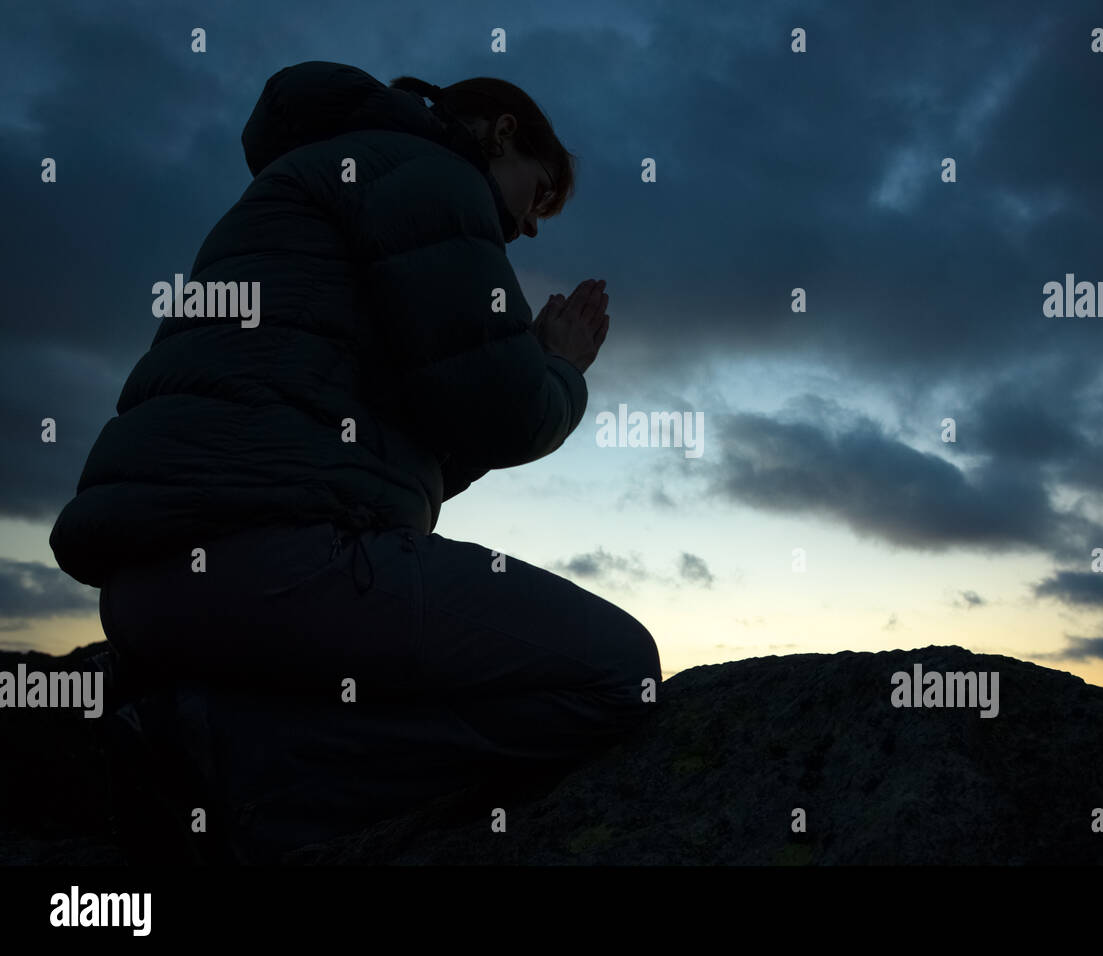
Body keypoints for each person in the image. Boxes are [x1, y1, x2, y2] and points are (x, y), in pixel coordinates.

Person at [47, 60, 662, 862]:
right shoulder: (431, 177)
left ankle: (192, 727)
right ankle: (226, 766)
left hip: (152, 596)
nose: (532, 226)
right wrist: (559, 367)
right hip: (272, 564)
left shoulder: (313, 180)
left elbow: (413, 444)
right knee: (618, 674)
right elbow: (505, 412)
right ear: (501, 132)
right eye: (536, 192)